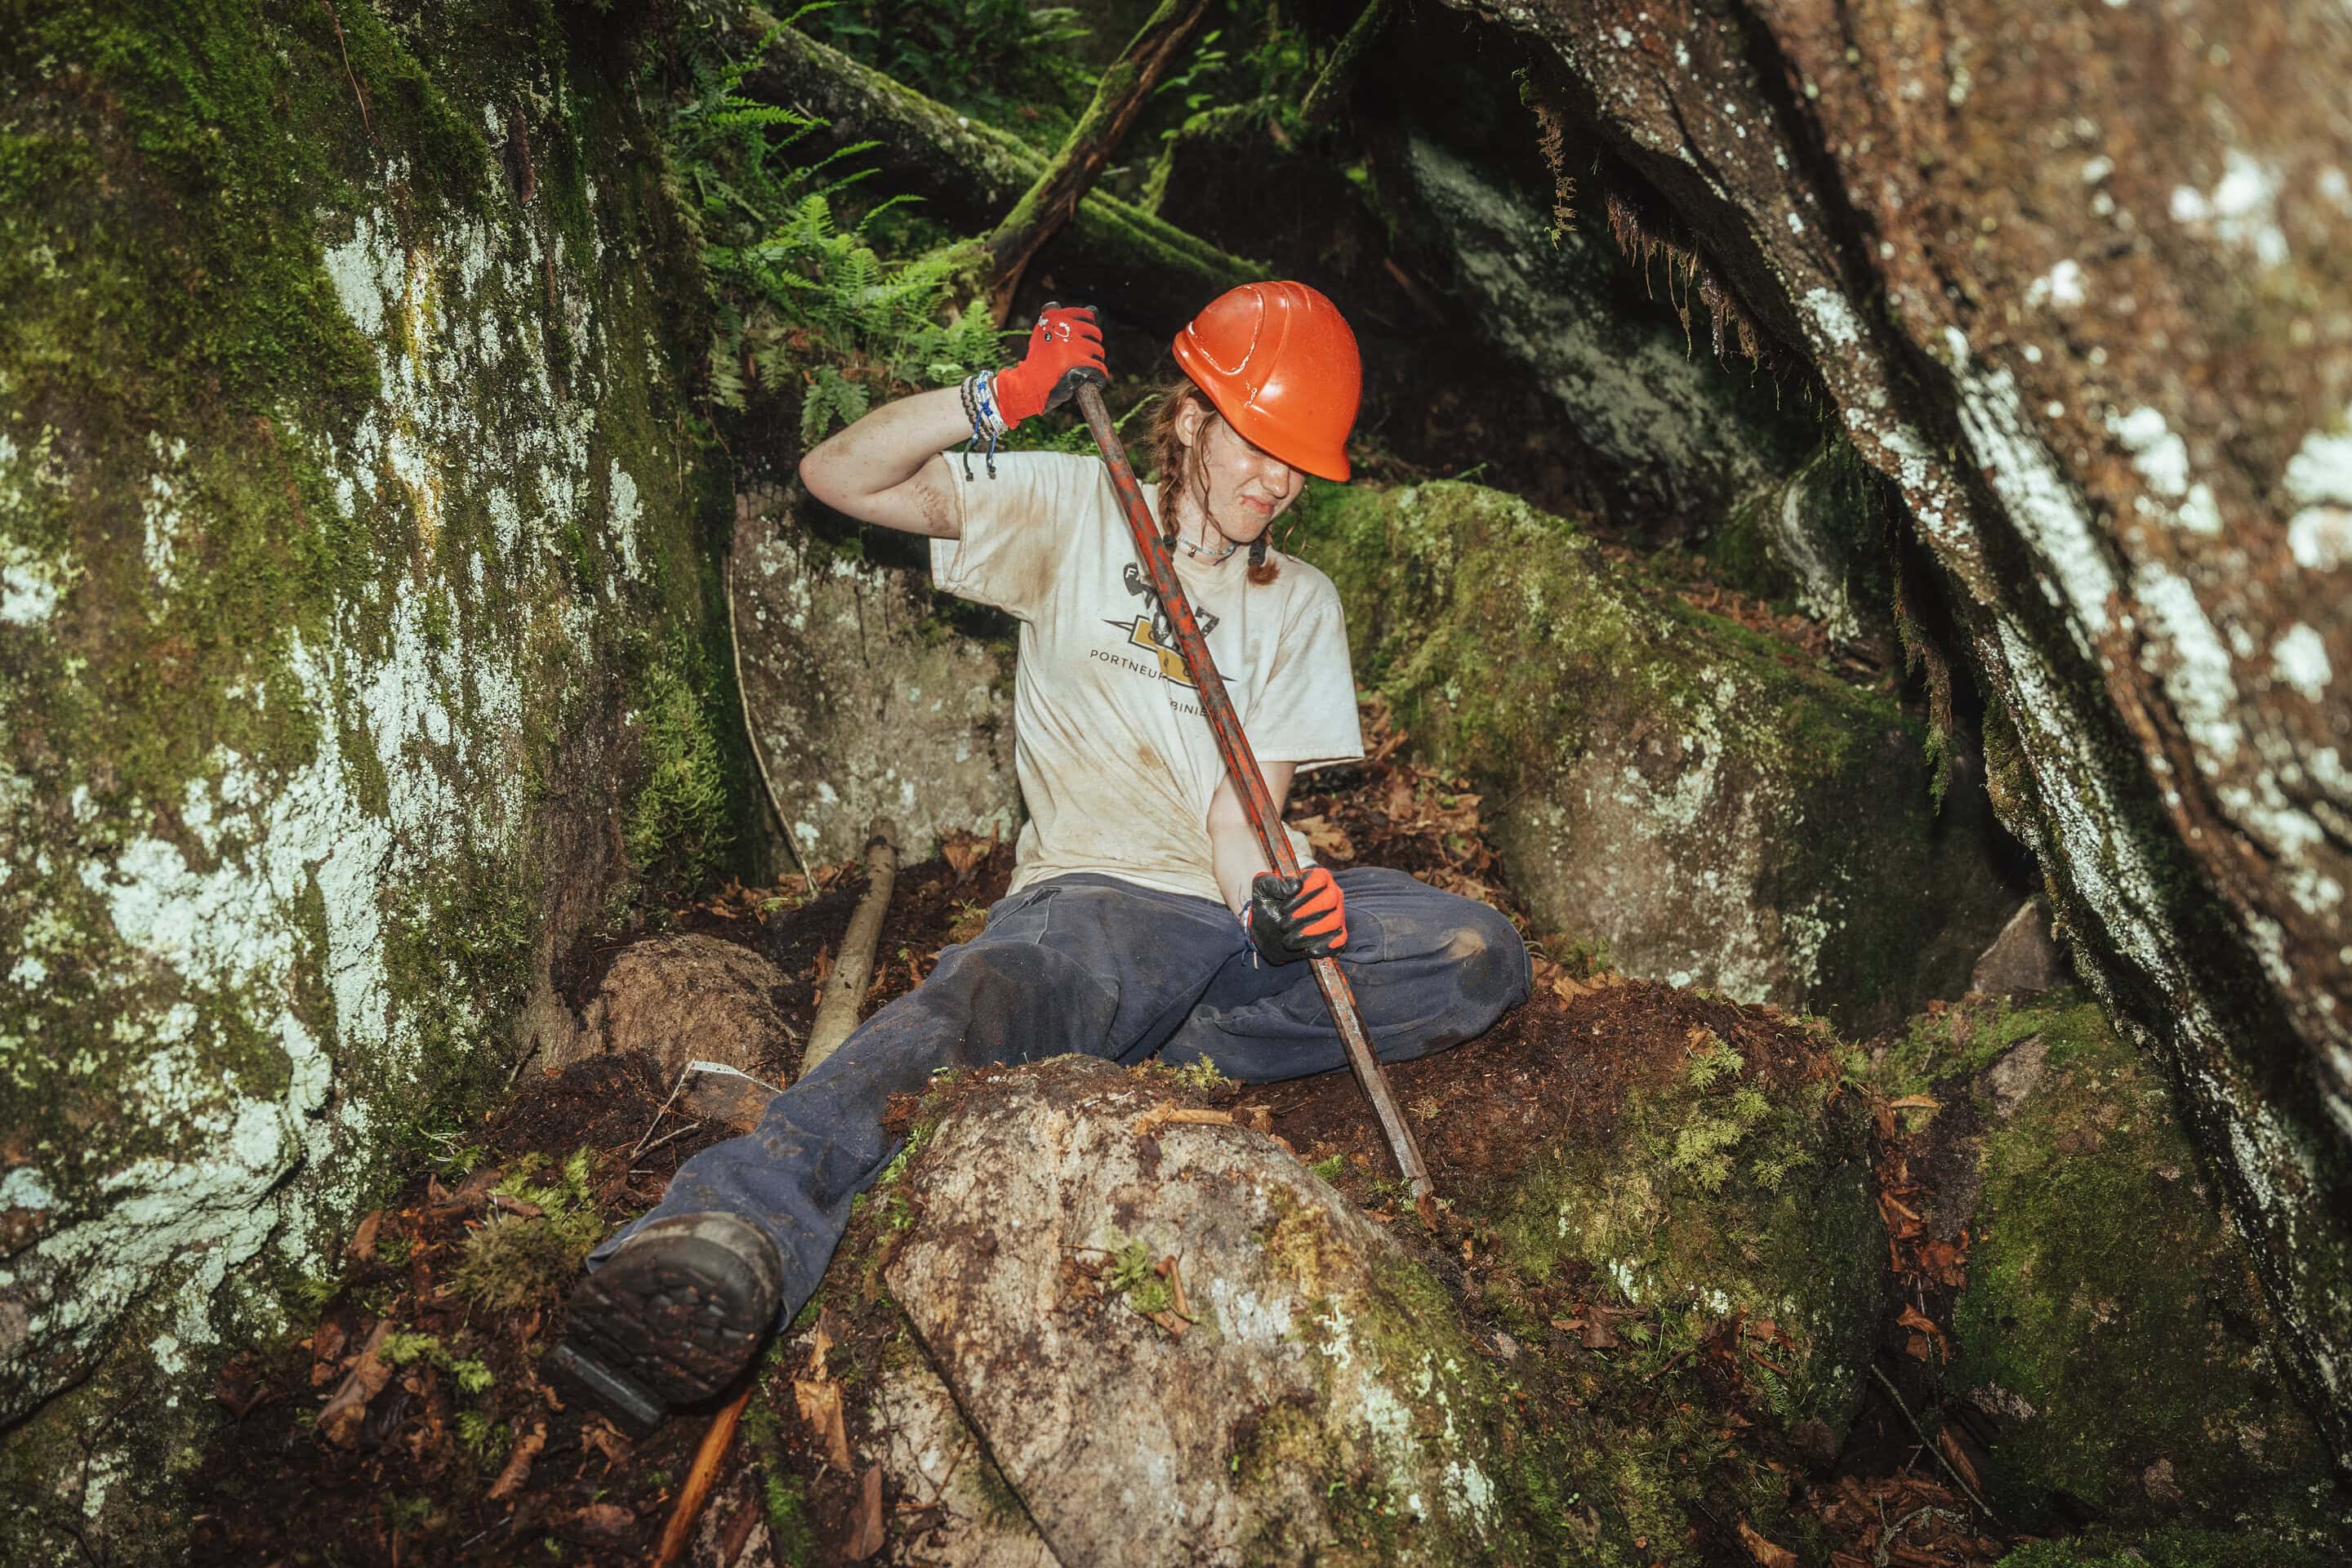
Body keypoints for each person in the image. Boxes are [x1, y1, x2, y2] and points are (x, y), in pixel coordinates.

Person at [549, 281, 1531, 1431]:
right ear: (1196, 416)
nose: (1278, 481)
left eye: (1299, 462)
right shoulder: (1079, 504)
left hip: (1223, 928)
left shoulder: (1298, 601)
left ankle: (1140, 1052)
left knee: (1471, 955)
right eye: (1259, 443)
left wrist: (1276, 898)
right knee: (984, 1005)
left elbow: (1239, 810)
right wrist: (995, 398)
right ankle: (735, 1223)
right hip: (1098, 903)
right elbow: (838, 477)